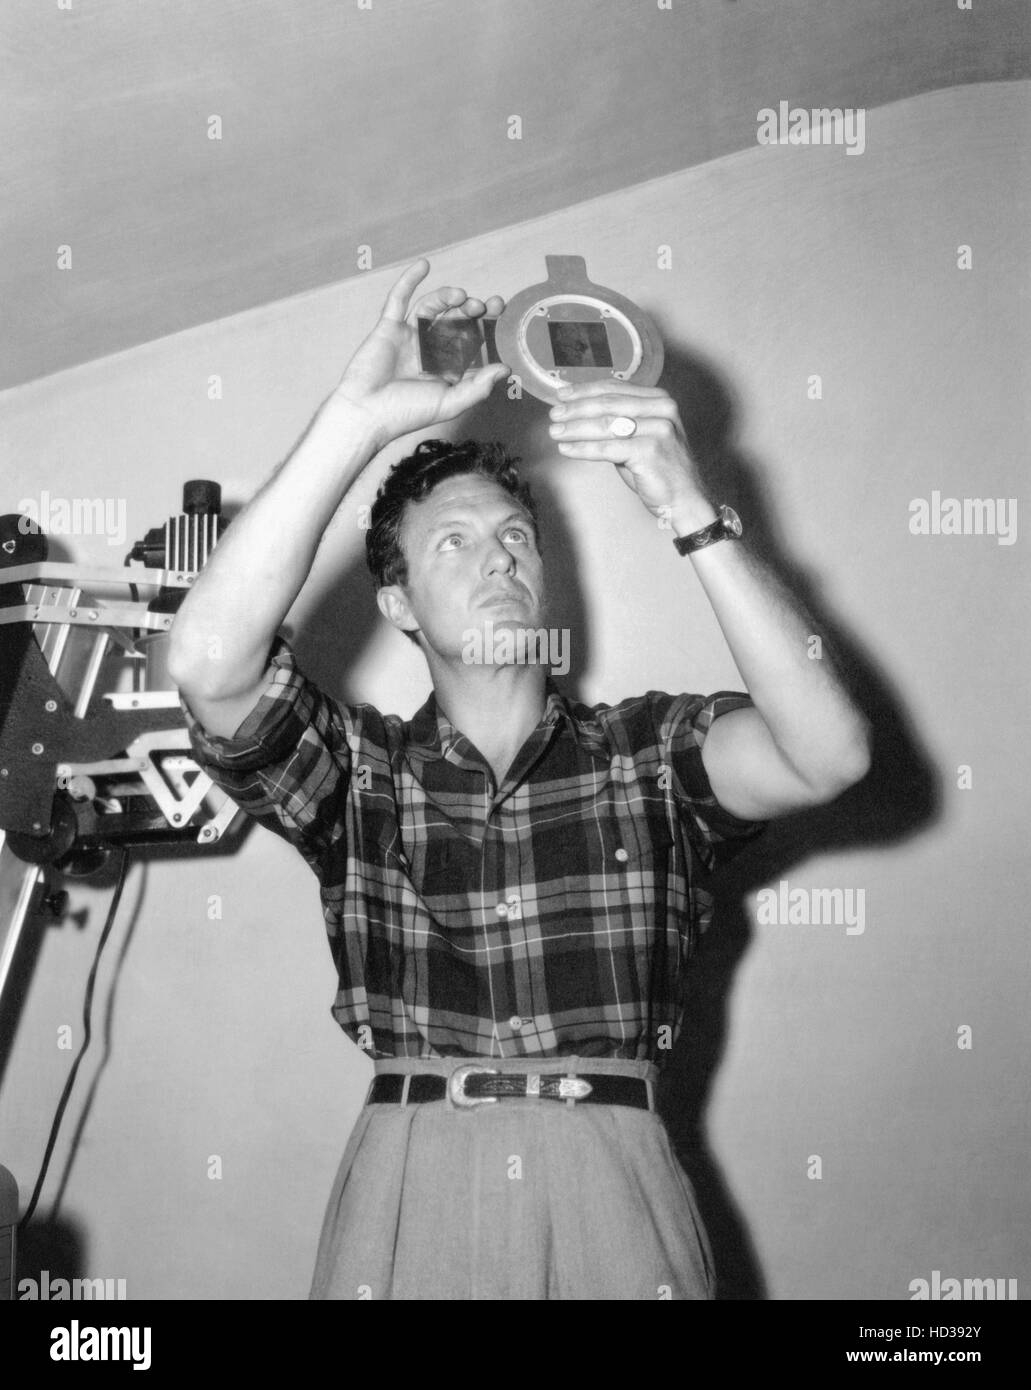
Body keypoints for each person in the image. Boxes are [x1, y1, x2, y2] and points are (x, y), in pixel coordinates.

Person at [168, 259, 871, 1300]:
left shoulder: (650, 754)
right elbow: (206, 662)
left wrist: (691, 508)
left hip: (611, 1181)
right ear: (399, 605)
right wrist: (356, 421)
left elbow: (829, 752)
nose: (495, 559)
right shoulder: (360, 777)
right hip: (409, 1179)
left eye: (512, 538)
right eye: (451, 543)